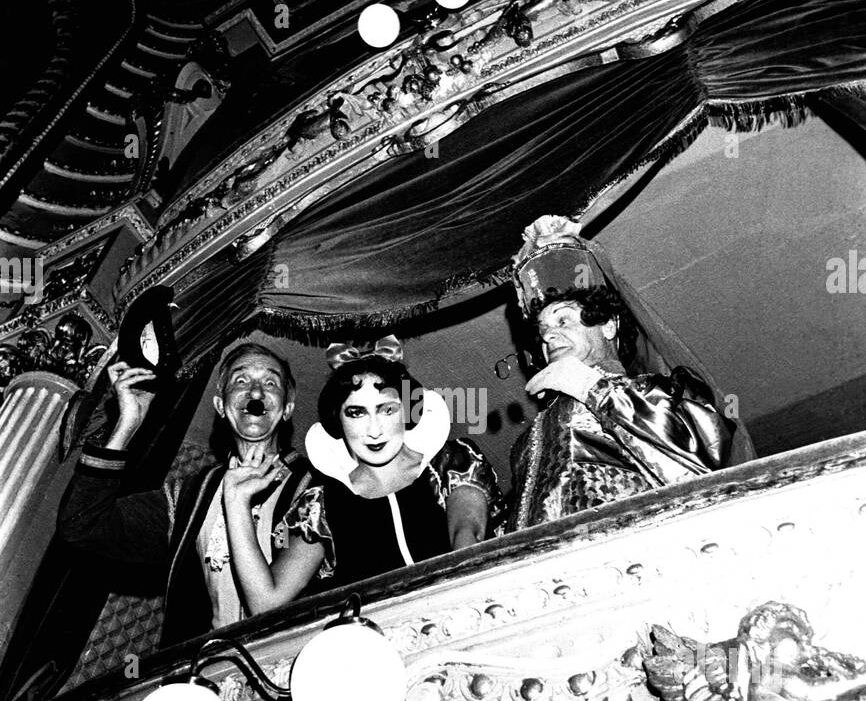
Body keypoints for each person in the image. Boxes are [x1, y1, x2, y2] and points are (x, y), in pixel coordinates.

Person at [506, 215, 752, 531]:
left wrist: (590, 388)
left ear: (608, 325)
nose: (548, 337)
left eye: (563, 320)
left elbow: (702, 470)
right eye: (543, 330)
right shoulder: (528, 439)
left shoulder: (666, 391)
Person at [57, 340, 312, 645]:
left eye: (270, 382)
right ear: (220, 406)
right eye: (241, 380)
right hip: (198, 677)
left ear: (287, 408)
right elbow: (82, 526)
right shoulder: (191, 493)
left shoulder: (313, 485)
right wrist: (126, 426)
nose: (255, 392)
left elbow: (272, 607)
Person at [239, 336, 504, 605]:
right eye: (356, 413)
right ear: (338, 422)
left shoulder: (451, 462)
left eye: (386, 409)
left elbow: (467, 536)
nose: (374, 431)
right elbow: (264, 602)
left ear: (407, 411)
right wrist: (236, 501)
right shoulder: (321, 504)